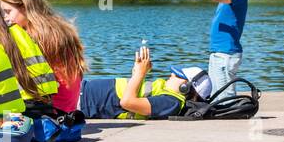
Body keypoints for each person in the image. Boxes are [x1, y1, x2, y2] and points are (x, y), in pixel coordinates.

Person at [0, 0, 89, 113]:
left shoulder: (33, 36)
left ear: (24, 7)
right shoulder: (57, 27)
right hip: (68, 108)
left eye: (8, 12)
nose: (5, 18)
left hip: (51, 110)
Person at [180, 0, 248, 98]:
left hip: (226, 54)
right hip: (218, 53)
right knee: (216, 98)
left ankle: (235, 118)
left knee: (225, 100)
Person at [78, 47, 208, 120]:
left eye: (178, 75)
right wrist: (137, 72)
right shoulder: (166, 94)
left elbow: (127, 102)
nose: (172, 75)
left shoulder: (171, 102)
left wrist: (140, 73)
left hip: (84, 102)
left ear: (185, 87)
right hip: (82, 90)